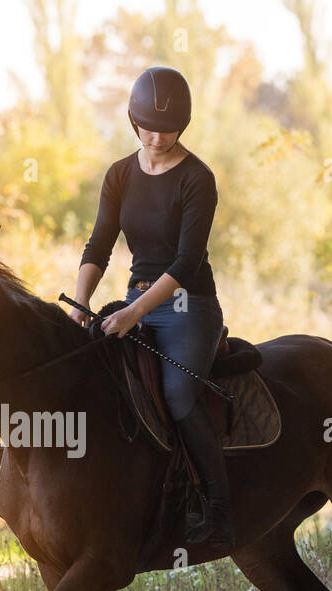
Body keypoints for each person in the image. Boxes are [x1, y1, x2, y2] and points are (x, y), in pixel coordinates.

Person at [69, 65, 234, 552]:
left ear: (183, 125)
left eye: (168, 128)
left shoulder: (198, 180)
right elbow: (98, 245)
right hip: (138, 296)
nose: (157, 136)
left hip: (188, 305)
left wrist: (133, 313)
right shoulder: (119, 175)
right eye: (147, 126)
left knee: (180, 397)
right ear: (132, 121)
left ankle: (219, 510)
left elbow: (186, 264)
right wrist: (81, 305)